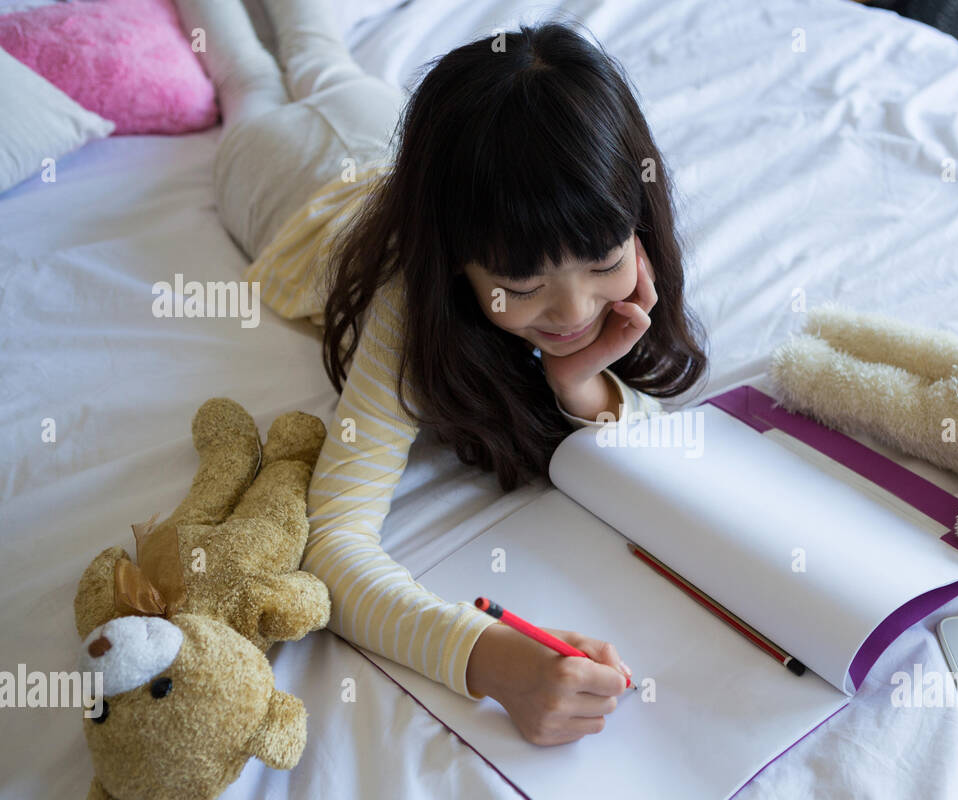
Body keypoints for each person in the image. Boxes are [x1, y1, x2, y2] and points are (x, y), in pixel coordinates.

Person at [174, 0, 708, 745]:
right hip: (280, 180)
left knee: (320, 52)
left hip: (372, 126)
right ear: (451, 265)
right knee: (248, 79)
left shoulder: (574, 213)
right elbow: (333, 542)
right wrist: (488, 660)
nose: (575, 309)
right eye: (520, 288)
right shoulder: (405, 306)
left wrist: (579, 381)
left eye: (606, 263)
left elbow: (640, 440)